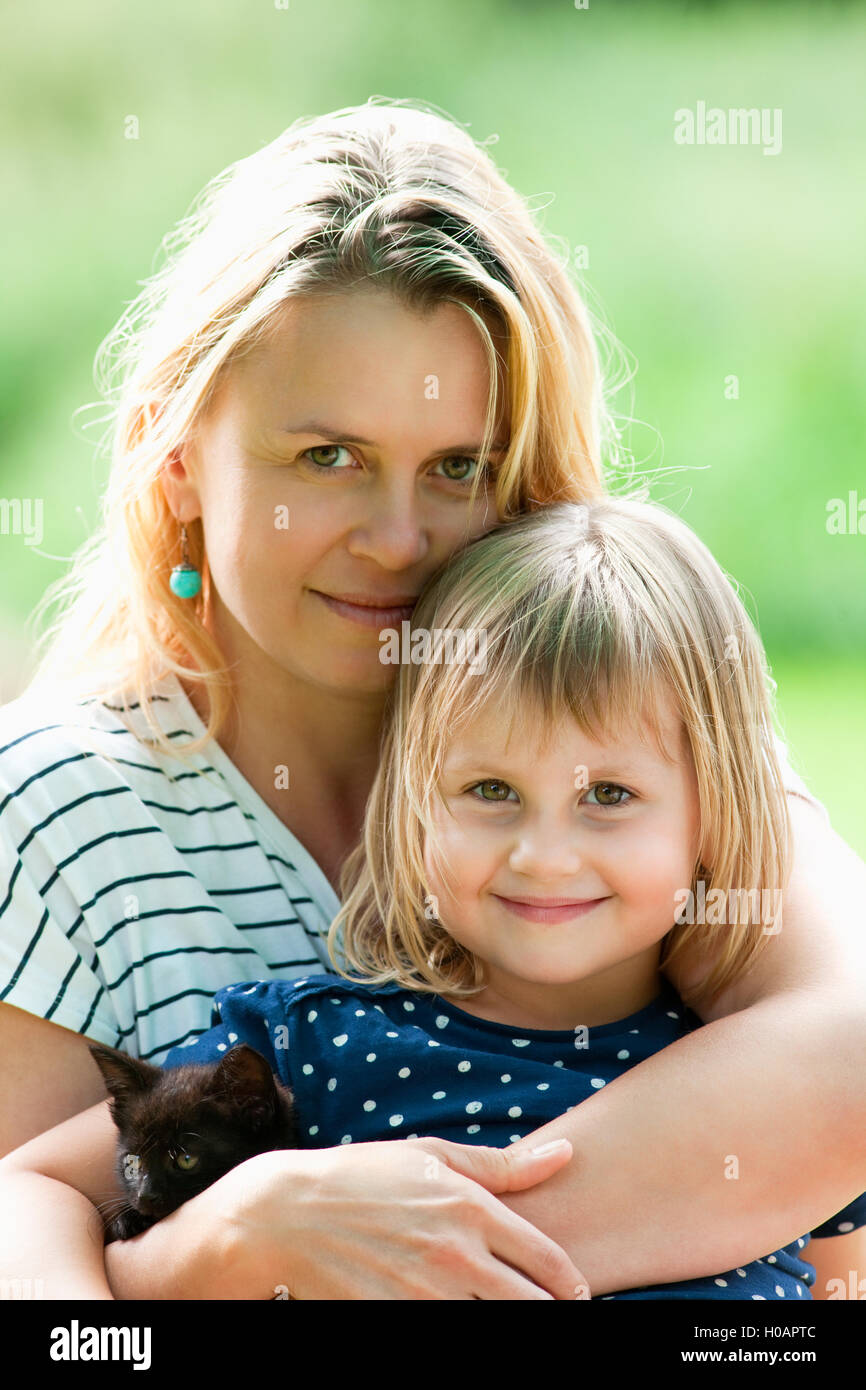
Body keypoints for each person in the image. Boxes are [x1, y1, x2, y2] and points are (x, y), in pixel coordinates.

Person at [0, 100, 864, 1301]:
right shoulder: (58, 823)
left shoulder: (639, 722)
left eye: (457, 466)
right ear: (177, 458)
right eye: (327, 457)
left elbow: (851, 1064)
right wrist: (226, 1245)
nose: (399, 539)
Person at [5, 495, 865, 1300]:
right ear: (413, 801)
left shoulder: (758, 1072)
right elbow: (30, 1192)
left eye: (608, 796)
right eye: (491, 791)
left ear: (714, 809)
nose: (546, 857)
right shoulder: (314, 1041)